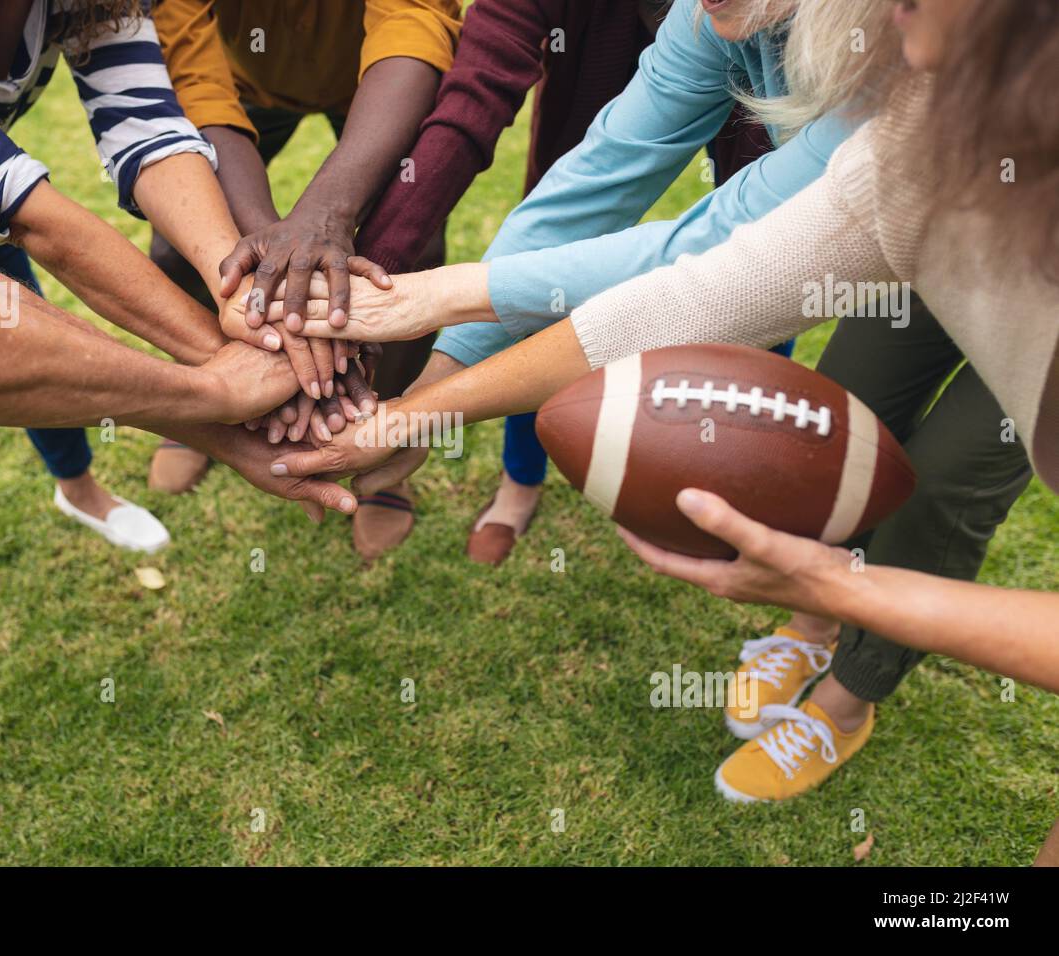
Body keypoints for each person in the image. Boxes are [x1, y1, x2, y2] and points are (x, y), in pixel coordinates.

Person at [267, 0, 1059, 811]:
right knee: (848, 427)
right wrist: (423, 403)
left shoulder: (893, 86)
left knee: (947, 482)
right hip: (934, 251)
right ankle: (810, 630)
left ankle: (849, 696)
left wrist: (853, 590)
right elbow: (706, 286)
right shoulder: (926, 119)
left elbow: (716, 246)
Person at [0, 0, 357, 729]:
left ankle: (78, 489)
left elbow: (147, 126)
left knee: (18, 308)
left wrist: (240, 312)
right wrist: (217, 388)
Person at [332, 0, 777, 559]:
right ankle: (520, 481)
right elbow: (591, 185)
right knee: (545, 274)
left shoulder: (861, 38)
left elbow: (758, 244)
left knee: (762, 290)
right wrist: (423, 400)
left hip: (851, 194)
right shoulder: (702, 18)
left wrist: (441, 297)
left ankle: (738, 472)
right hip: (604, 101)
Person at [146, 0, 461, 499]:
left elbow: (414, 21)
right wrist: (278, 256)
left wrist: (326, 214)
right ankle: (216, 397)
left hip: (383, 81)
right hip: (238, 85)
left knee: (412, 249)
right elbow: (193, 75)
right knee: (179, 247)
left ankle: (383, 423)